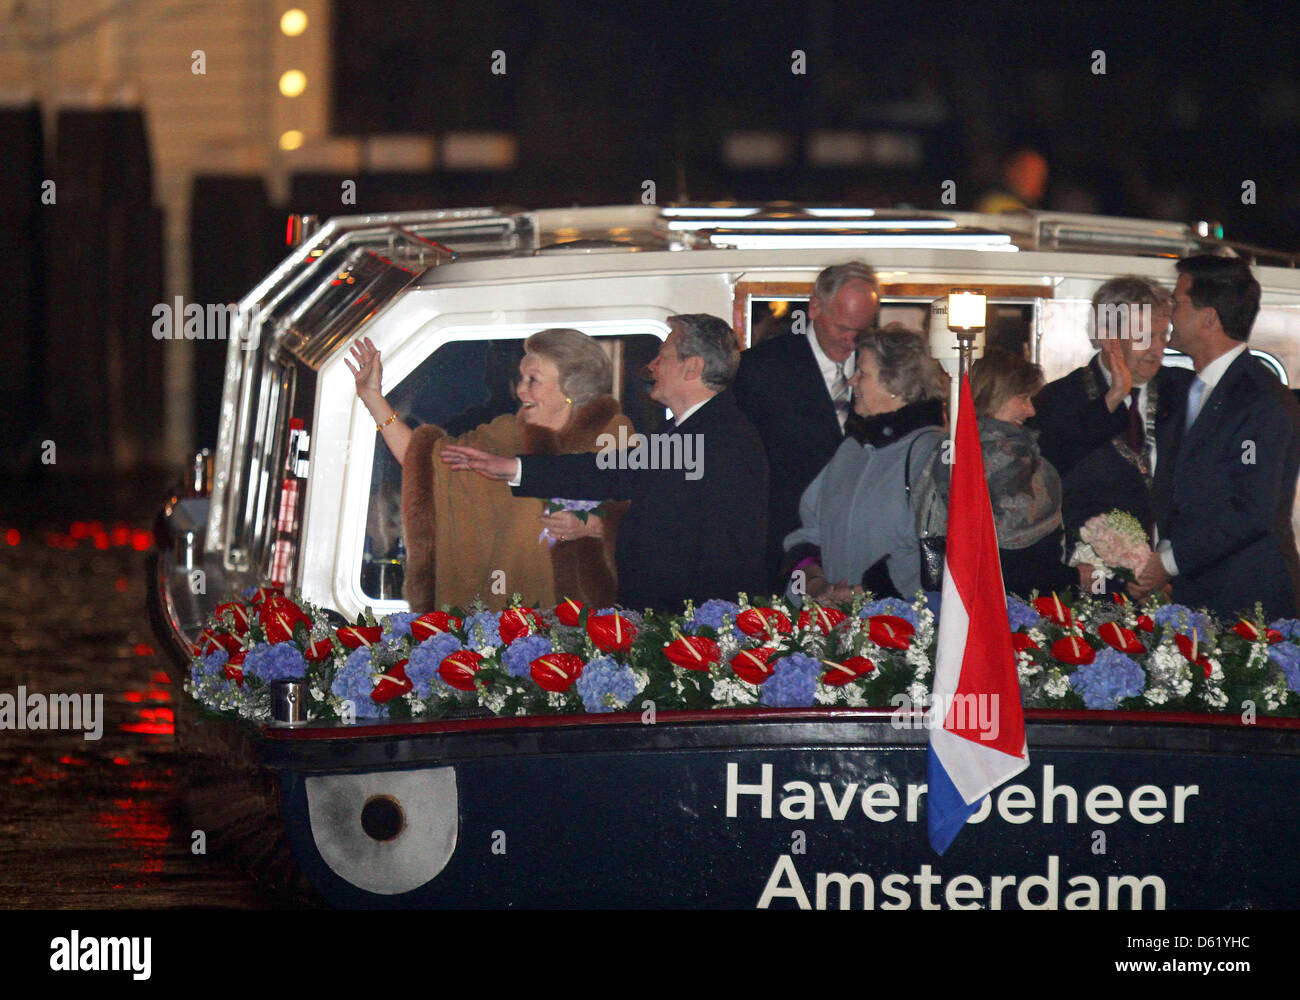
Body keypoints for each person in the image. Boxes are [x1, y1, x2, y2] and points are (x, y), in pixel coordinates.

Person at [440, 314, 768, 612]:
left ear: (692, 368)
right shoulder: (687, 431)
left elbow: (692, 543)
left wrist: (595, 527)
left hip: (694, 630)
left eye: (662, 357)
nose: (651, 366)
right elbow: (608, 471)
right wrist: (514, 468)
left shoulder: (723, 439)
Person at [348, 328, 634, 612]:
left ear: (571, 388)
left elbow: (651, 530)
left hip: (584, 628)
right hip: (503, 622)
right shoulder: (503, 435)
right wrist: (373, 397)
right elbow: (428, 463)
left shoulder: (614, 438)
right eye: (521, 378)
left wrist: (595, 526)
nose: (521, 389)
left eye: (533, 380)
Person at [1143, 255, 1300, 619]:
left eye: (1176, 304)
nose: (1170, 317)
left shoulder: (1259, 400)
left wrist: (1167, 562)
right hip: (1197, 597)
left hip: (1248, 606)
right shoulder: (1192, 390)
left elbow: (1251, 509)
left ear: (1208, 317)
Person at [1031, 276, 1189, 594]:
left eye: (1164, 335)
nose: (1159, 348)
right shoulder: (1060, 399)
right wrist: (1112, 399)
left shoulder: (1186, 391)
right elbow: (1045, 478)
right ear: (1109, 337)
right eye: (1146, 337)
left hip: (1178, 582)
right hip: (1096, 583)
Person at [734, 262, 881, 591]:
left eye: (861, 330)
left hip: (863, 556)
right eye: (842, 327)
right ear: (815, 307)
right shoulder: (760, 370)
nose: (850, 340)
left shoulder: (884, 371)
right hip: (782, 551)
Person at [782, 325, 947, 603]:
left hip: (901, 631)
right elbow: (809, 530)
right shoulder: (851, 450)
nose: (851, 381)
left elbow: (937, 552)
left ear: (897, 383)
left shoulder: (932, 453)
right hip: (835, 627)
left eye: (863, 373)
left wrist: (866, 592)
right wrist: (814, 581)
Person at [918, 349, 1073, 598]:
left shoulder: (950, 450)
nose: (1031, 410)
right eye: (1022, 398)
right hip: (1008, 610)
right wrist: (1074, 578)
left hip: (953, 601)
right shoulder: (1015, 461)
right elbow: (1014, 562)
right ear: (993, 396)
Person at [976, 146, 1049, 214]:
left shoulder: (1027, 206)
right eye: (1032, 174)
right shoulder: (998, 205)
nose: (1038, 182)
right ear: (1012, 173)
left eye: (1041, 176)